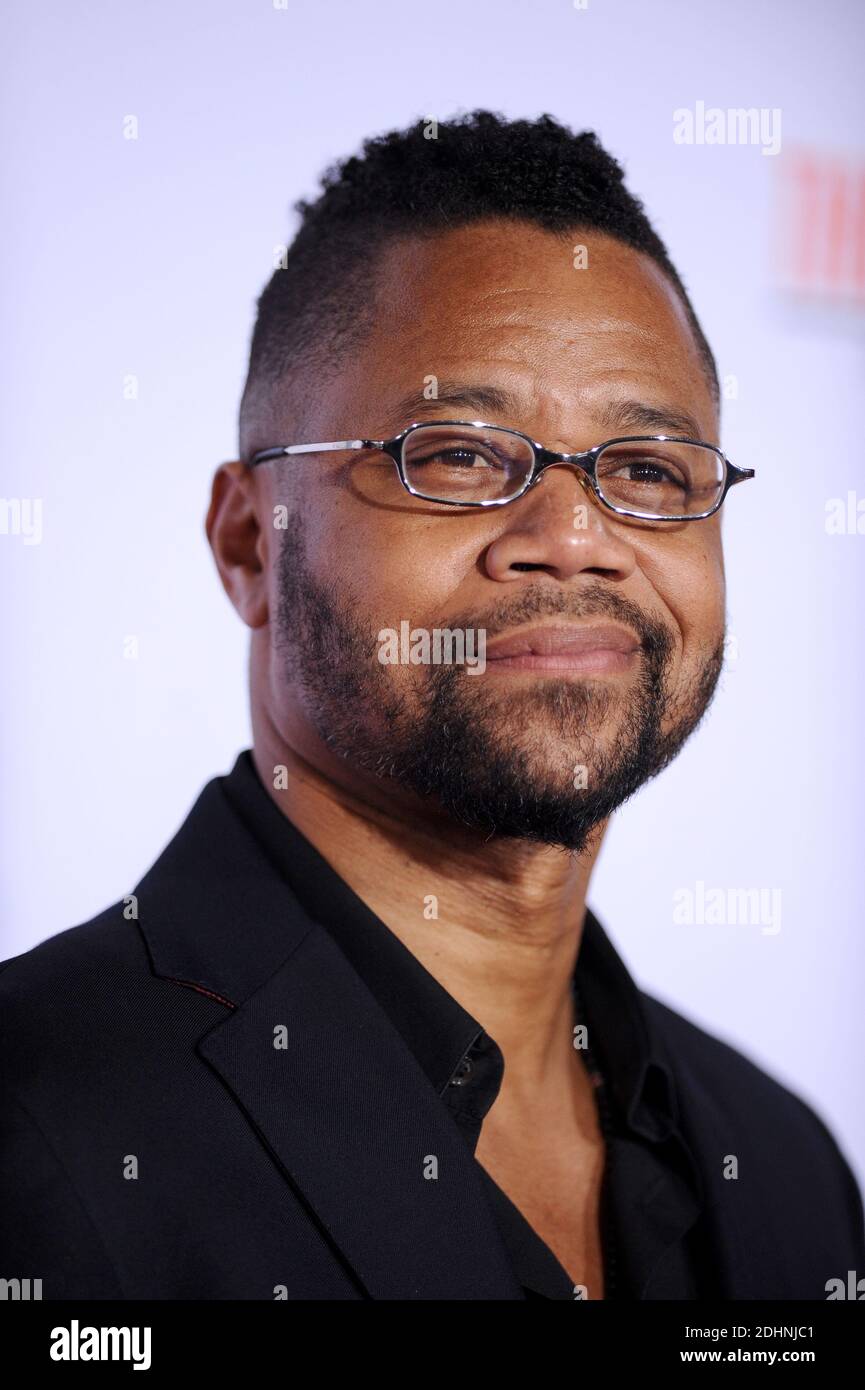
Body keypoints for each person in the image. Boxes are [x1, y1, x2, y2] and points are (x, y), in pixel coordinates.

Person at [1, 110, 861, 1301]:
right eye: (456, 453)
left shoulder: (784, 1166)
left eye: (649, 473)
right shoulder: (32, 1127)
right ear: (251, 542)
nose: (574, 539)